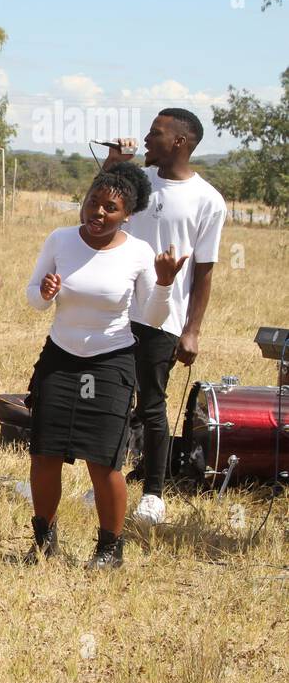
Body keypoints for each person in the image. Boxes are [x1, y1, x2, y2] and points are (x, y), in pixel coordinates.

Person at [23, 163, 187, 569]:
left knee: (103, 460)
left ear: (126, 214)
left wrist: (164, 282)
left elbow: (151, 316)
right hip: (60, 358)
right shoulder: (60, 239)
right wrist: (44, 292)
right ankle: (44, 540)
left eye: (109, 208)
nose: (97, 213)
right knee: (45, 454)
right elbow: (33, 297)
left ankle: (110, 548)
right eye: (92, 202)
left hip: (109, 362)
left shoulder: (137, 252)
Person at [103, 110, 225, 527]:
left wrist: (191, 330)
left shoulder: (208, 200)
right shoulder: (137, 181)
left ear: (180, 141)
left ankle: (153, 492)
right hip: (116, 308)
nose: (147, 139)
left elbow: (204, 270)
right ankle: (108, 479)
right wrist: (113, 166)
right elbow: (96, 212)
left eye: (156, 133)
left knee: (151, 404)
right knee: (113, 400)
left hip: (163, 317)